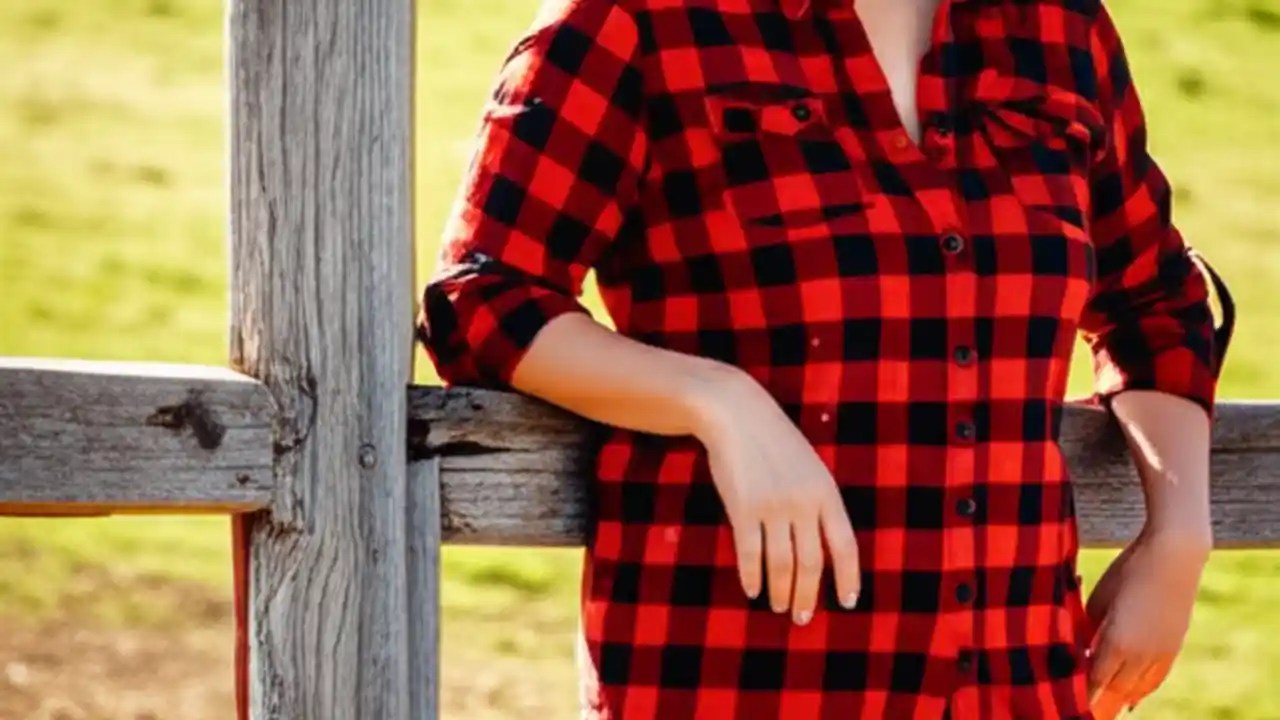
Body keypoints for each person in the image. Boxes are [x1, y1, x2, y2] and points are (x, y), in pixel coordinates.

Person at [417, 0, 1234, 717]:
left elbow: (1155, 303)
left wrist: (1176, 537)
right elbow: (482, 302)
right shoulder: (635, 21)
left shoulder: (1061, 31)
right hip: (736, 679)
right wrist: (715, 401)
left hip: (1016, 681)